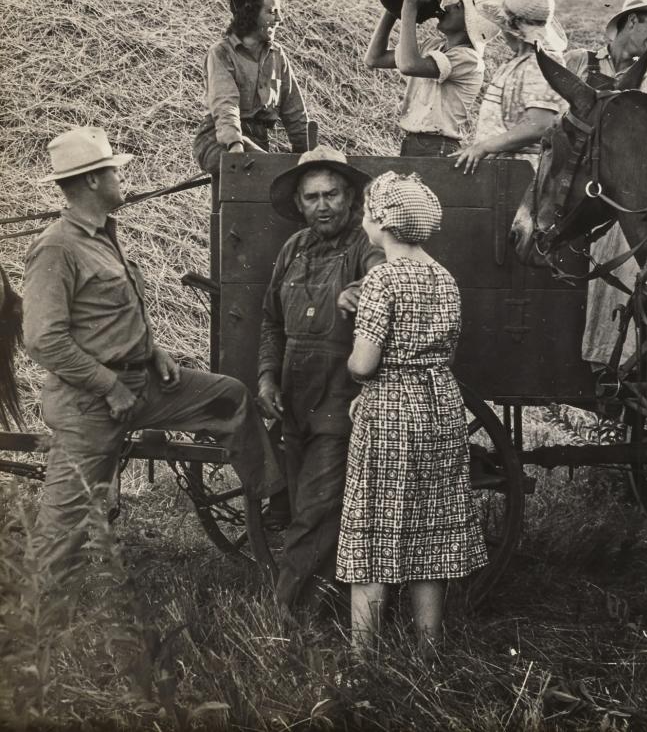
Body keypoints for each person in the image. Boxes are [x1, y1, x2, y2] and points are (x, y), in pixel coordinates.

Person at [22, 126, 284, 582]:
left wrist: (153, 352)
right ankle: (37, 629)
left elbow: (111, 316)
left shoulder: (105, 234)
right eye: (112, 171)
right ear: (91, 181)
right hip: (90, 403)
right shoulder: (57, 247)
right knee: (63, 530)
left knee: (231, 397)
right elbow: (44, 340)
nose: (120, 179)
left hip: (143, 383)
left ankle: (279, 509)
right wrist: (108, 386)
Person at [336, 172, 487, 653]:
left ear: (381, 220)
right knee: (432, 529)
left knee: (374, 527)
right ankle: (427, 652)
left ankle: (363, 659)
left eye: (366, 213)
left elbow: (364, 362)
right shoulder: (444, 277)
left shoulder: (382, 278)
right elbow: (446, 351)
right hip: (441, 405)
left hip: (392, 410)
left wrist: (361, 376)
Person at [258, 146, 384, 611]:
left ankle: (286, 616)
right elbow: (271, 321)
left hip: (339, 396)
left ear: (350, 197)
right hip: (294, 394)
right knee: (299, 505)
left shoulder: (364, 246)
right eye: (312, 197)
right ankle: (326, 607)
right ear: (299, 204)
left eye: (332, 194)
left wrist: (366, 287)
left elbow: (384, 274)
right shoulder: (293, 249)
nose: (323, 205)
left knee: (313, 512)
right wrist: (268, 378)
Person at [565, 0, 647, 374]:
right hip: (572, 173)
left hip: (615, 190)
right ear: (631, 21)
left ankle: (611, 356)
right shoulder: (580, 62)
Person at [365, 0, 499, 157]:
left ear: (469, 26)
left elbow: (409, 65)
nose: (448, 7)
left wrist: (409, 7)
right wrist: (393, 8)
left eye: (458, 7)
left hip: (437, 147)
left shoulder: (469, 59)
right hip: (416, 143)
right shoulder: (434, 46)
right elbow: (374, 59)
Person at [193, 0, 310, 176]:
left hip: (257, 142)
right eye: (272, 12)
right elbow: (225, 103)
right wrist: (235, 145)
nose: (279, 19)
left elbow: (295, 112)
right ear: (250, 13)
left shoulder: (277, 55)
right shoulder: (221, 53)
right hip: (219, 140)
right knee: (267, 169)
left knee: (274, 170)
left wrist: (307, 156)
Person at [454, 0, 568, 173]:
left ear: (510, 27)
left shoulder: (542, 63)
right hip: (502, 169)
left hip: (525, 173)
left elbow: (539, 125)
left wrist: (483, 147)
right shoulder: (514, 63)